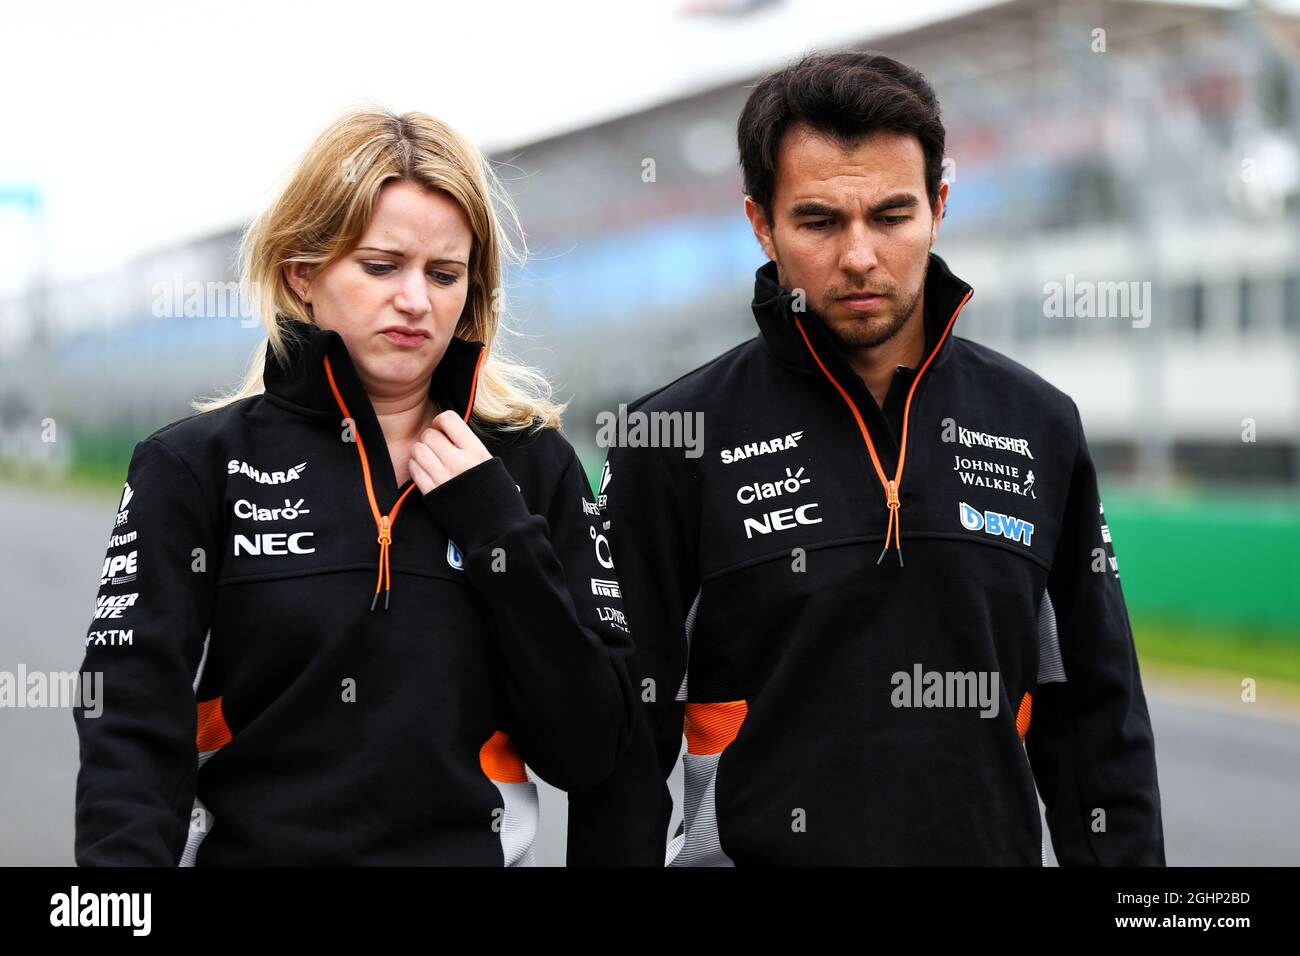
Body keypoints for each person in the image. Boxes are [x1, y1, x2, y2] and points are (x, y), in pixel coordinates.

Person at [566, 51, 1165, 866]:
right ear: (760, 223)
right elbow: (626, 751)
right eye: (819, 221)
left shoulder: (1040, 424)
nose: (858, 257)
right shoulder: (668, 438)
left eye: (891, 215)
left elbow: (1099, 722)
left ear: (939, 206)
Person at [73, 107, 637, 865]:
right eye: (380, 266)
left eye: (444, 274)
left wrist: (497, 529)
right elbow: (130, 723)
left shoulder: (533, 468)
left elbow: (590, 747)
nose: (415, 300)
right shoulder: (191, 467)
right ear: (302, 274)